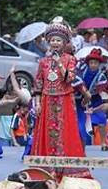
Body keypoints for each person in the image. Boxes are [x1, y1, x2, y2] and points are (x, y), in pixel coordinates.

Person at [32, 16, 90, 179]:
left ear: (65, 43)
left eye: (59, 40)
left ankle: (67, 171)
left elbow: (70, 78)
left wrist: (58, 63)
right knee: (48, 135)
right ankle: (47, 171)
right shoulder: (43, 62)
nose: (55, 43)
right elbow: (38, 85)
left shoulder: (70, 59)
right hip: (47, 101)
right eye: (52, 40)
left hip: (64, 100)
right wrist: (36, 103)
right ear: (48, 41)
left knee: (65, 133)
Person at [74, 48, 108, 147]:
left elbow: (103, 88)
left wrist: (90, 94)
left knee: (101, 120)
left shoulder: (101, 76)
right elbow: (77, 84)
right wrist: (84, 94)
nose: (93, 65)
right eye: (91, 62)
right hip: (81, 100)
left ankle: (103, 142)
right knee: (81, 124)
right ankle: (81, 144)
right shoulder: (82, 72)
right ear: (88, 63)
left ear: (99, 64)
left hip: (95, 100)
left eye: (95, 63)